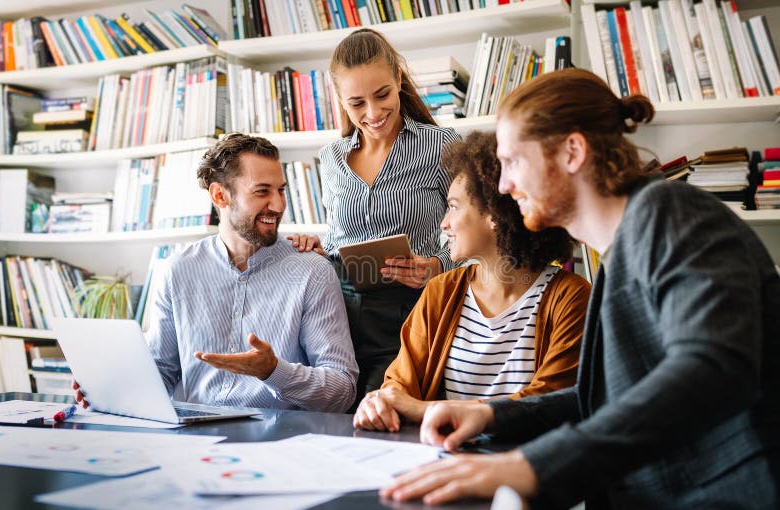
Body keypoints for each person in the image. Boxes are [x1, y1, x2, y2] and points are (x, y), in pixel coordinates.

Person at [381, 68, 780, 508]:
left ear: (572, 151)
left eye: (513, 161)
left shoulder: (672, 214)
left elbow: (711, 366)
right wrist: (492, 413)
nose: (503, 185)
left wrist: (531, 466)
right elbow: (603, 401)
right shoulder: (620, 252)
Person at [74, 134, 358, 413]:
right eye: (262, 191)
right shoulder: (177, 270)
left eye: (280, 190)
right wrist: (109, 390)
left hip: (281, 441)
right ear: (220, 195)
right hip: (197, 442)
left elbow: (342, 391)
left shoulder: (312, 271)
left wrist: (274, 371)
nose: (279, 205)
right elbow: (160, 372)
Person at [353, 131, 590, 432]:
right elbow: (399, 386)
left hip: (527, 466)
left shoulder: (571, 298)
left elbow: (550, 402)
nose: (444, 223)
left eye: (453, 206)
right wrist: (380, 402)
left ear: (494, 214)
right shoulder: (441, 291)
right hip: (446, 457)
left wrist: (424, 409)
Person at [288, 28, 461, 404]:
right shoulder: (331, 157)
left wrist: (436, 265)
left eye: (382, 94)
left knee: (385, 418)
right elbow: (336, 241)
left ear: (398, 79)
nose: (372, 113)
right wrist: (319, 252)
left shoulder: (441, 146)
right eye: (356, 102)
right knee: (337, 421)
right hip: (338, 314)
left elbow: (480, 231)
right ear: (340, 101)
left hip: (409, 314)